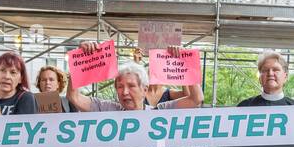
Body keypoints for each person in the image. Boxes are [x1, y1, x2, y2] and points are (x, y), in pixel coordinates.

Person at [67, 44, 203, 112]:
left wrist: (183, 62)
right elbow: (75, 97)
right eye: (120, 87)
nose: (124, 92)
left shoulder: (158, 113)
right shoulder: (109, 109)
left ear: (145, 89)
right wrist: (82, 58)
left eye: (131, 86)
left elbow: (196, 98)